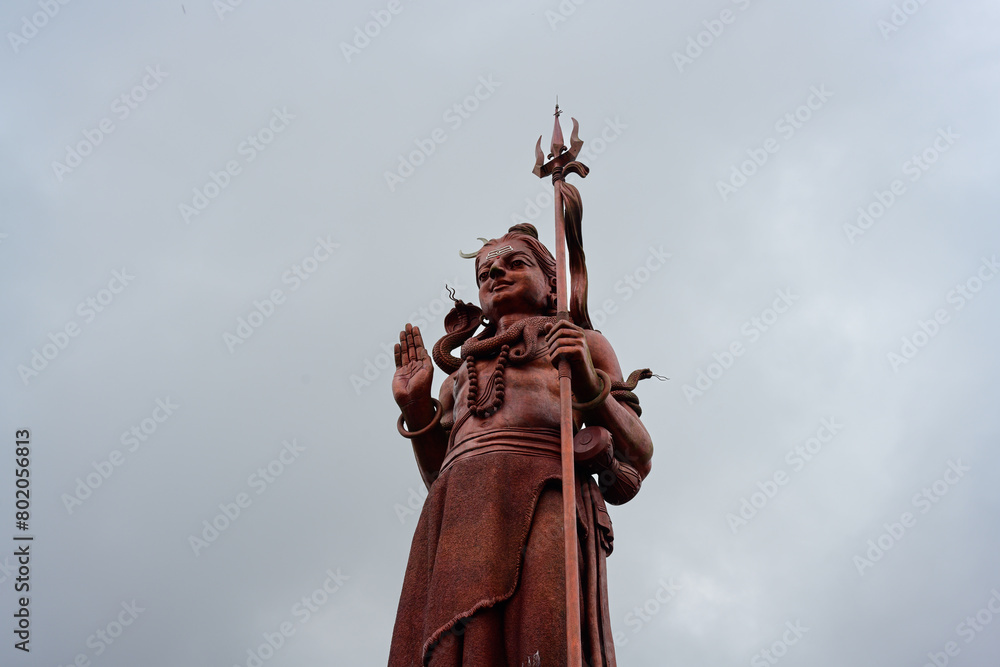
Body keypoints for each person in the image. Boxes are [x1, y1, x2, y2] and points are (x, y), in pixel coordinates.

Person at [388, 223, 653, 666]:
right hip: (460, 506)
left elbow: (638, 453)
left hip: (543, 488)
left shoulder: (583, 343)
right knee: (458, 638)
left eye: (515, 264)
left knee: (542, 623)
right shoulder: (461, 373)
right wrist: (417, 408)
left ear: (552, 285)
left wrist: (590, 383)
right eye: (486, 272)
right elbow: (438, 473)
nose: (497, 275)